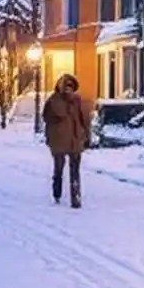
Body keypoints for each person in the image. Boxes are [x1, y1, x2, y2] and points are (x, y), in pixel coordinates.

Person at [41, 74, 92, 208]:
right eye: (66, 86)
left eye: (70, 86)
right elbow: (47, 118)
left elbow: (85, 120)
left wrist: (87, 136)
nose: (68, 89)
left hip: (74, 139)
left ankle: (75, 196)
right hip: (60, 140)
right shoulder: (54, 101)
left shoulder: (77, 101)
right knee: (59, 168)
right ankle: (58, 192)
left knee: (74, 169)